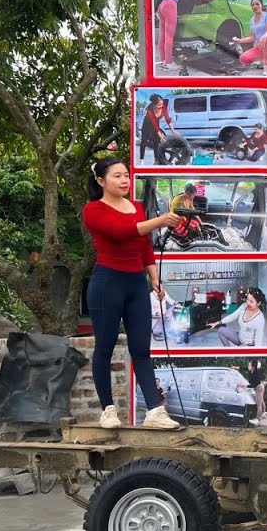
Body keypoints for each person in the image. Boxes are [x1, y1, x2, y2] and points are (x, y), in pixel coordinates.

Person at [82, 157, 185, 430]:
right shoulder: (93, 210)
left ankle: (154, 410)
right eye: (117, 176)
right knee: (104, 347)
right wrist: (161, 220)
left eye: (126, 175)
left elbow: (143, 246)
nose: (125, 180)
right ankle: (108, 410)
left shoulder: (137, 207)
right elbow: (121, 232)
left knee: (141, 348)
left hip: (136, 284)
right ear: (101, 181)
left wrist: (154, 278)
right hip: (108, 283)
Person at [158, 0, 202, 72]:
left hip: (163, 5)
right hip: (170, 5)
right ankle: (168, 63)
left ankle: (163, 61)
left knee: (163, 35)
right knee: (169, 36)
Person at [235, 0, 267, 75]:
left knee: (266, 40)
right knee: (243, 59)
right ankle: (263, 59)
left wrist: (264, 36)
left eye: (257, 4)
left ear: (261, 5)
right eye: (253, 5)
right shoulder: (252, 20)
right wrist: (239, 40)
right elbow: (252, 37)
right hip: (259, 47)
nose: (255, 6)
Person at [140, 94, 178, 166]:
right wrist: (160, 135)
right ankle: (141, 160)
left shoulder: (164, 107)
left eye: (162, 103)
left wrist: (173, 130)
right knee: (144, 141)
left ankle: (156, 160)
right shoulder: (149, 110)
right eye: (159, 105)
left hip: (156, 123)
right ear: (154, 105)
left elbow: (168, 119)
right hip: (147, 124)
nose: (161, 106)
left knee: (156, 141)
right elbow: (154, 124)